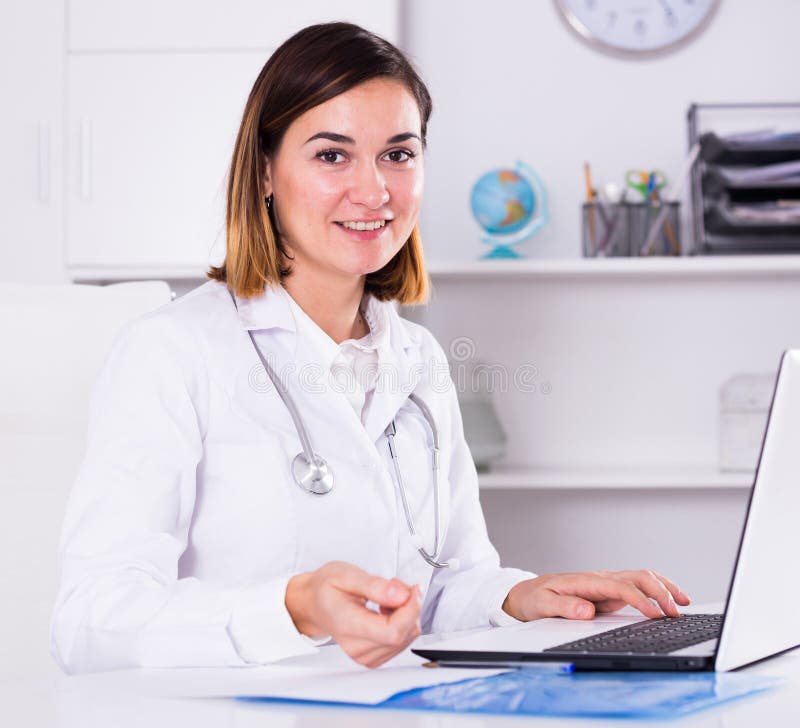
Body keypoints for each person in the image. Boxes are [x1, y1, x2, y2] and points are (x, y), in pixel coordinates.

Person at [50, 22, 689, 674]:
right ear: (265, 171)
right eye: (332, 155)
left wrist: (518, 597)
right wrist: (292, 609)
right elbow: (91, 622)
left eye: (398, 154)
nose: (375, 190)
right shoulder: (171, 351)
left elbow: (442, 586)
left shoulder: (419, 360)